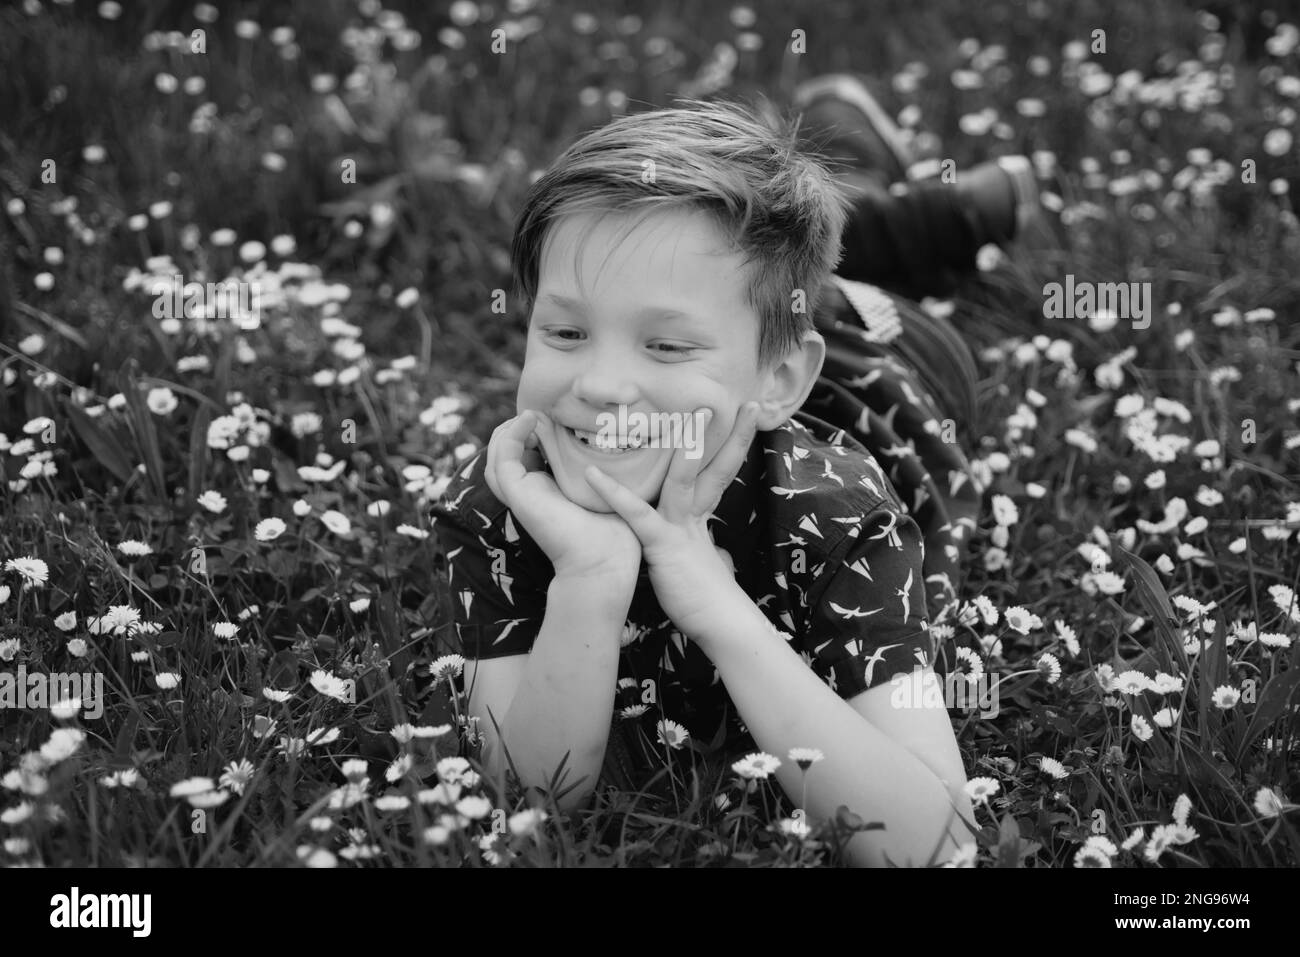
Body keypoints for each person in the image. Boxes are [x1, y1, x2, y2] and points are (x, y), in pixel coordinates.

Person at [429, 81, 1035, 866]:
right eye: (566, 329)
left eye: (664, 345)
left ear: (780, 382)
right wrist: (589, 575)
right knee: (741, 265)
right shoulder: (502, 499)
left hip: (883, 367)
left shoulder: (840, 515)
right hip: (753, 340)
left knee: (854, 288)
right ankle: (837, 161)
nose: (600, 384)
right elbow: (528, 801)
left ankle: (907, 211)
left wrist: (718, 604)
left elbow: (930, 845)